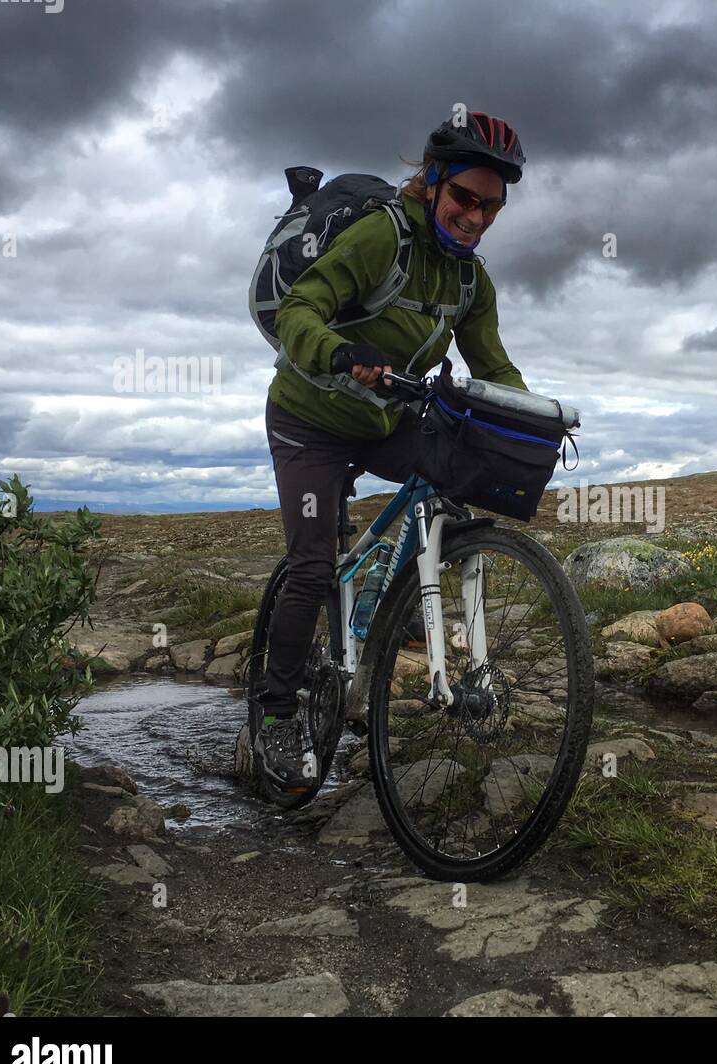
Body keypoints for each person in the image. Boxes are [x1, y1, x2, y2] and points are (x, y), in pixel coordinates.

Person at [255, 112, 527, 791]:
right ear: (431, 183)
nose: (476, 216)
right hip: (308, 418)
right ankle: (275, 714)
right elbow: (298, 311)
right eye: (465, 197)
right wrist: (344, 353)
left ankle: (407, 599)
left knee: (456, 476)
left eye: (492, 205)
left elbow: (494, 366)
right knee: (314, 564)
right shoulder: (384, 238)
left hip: (384, 422)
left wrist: (533, 419)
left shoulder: (470, 281)